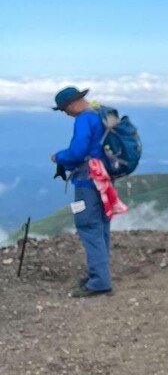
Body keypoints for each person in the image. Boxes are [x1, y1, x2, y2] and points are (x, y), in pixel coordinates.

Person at [50, 85, 112, 297]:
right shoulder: (101, 113)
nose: (66, 114)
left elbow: (77, 152)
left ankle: (99, 281)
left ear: (72, 104)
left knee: (88, 225)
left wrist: (58, 157)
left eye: (64, 109)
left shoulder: (84, 119)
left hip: (88, 180)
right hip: (106, 179)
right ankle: (100, 274)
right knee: (102, 225)